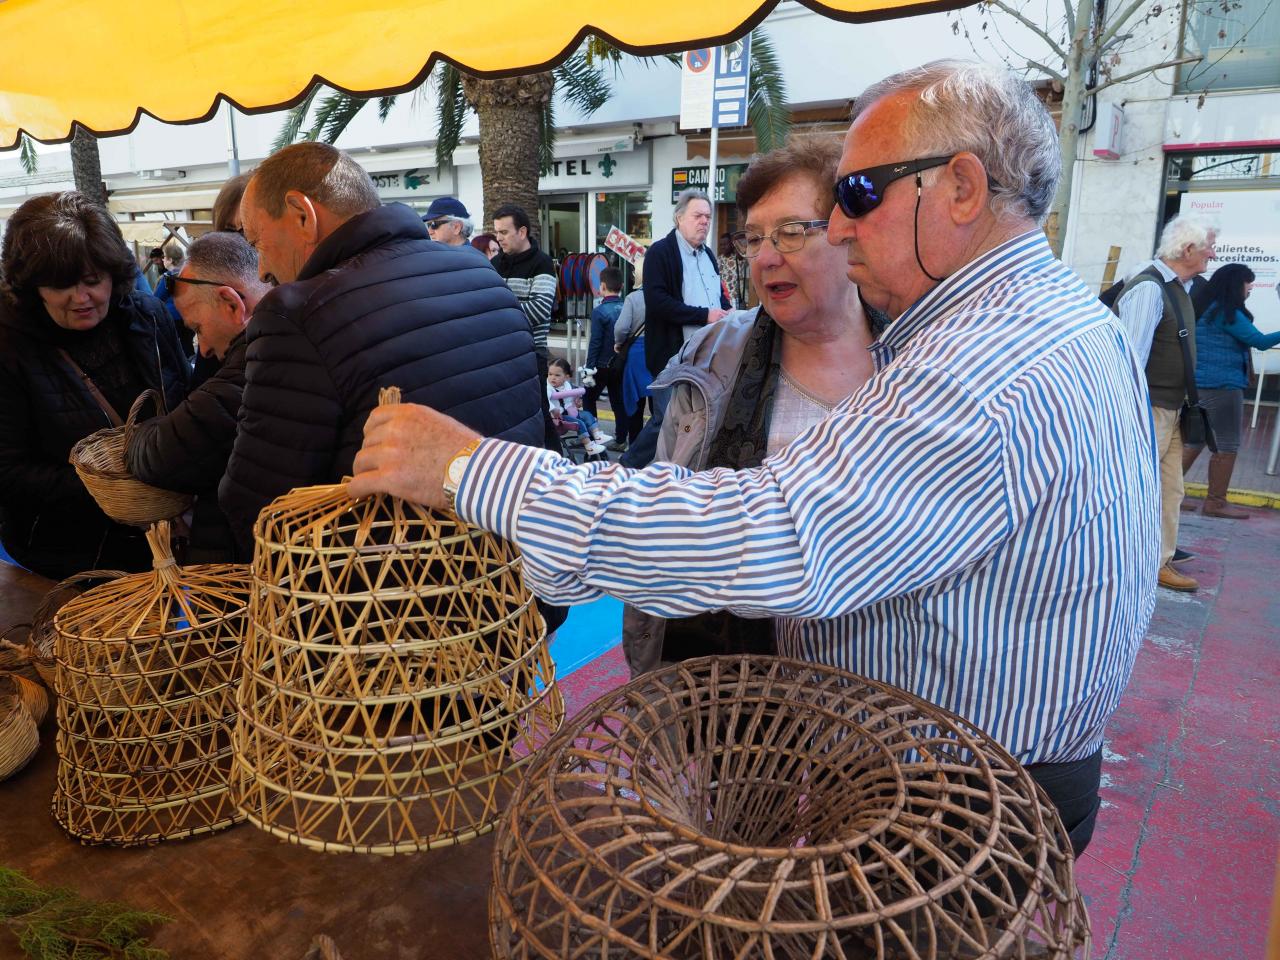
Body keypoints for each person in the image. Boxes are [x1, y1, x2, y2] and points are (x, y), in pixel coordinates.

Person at [347, 60, 1161, 857]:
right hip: (951, 781)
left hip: (951, 817)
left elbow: (777, 530)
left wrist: (471, 471)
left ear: (960, 187)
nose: (839, 230)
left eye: (857, 196)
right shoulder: (1048, 318)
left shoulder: (986, 362)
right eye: (764, 234)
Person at [623, 137, 877, 676]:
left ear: (846, 232)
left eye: (790, 232)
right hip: (724, 688)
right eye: (754, 237)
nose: (765, 257)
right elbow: (658, 501)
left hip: (871, 690)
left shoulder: (913, 360)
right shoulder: (714, 353)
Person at [219, 141, 542, 555]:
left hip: (388, 603)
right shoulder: (479, 271)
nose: (261, 268)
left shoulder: (295, 313)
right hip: (510, 584)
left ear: (303, 215)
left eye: (258, 242)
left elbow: (261, 504)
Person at [0, 192, 190, 578]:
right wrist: (113, 488)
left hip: (163, 544)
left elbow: (186, 402)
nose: (82, 298)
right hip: (64, 556)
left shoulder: (147, 316)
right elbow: (8, 470)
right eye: (61, 285)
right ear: (32, 285)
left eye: (92, 281)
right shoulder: (8, 344)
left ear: (113, 273)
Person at [124, 232, 271, 563]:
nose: (202, 349)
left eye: (199, 329)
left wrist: (142, 433)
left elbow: (160, 453)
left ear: (232, 303)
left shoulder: (254, 366)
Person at [1115, 215, 1217, 593]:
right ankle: (1119, 558)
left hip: (1170, 409)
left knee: (1170, 490)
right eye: (1208, 245)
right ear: (1187, 249)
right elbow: (1131, 359)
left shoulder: (1179, 288)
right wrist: (1130, 417)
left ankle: (1158, 561)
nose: (1213, 253)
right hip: (1149, 409)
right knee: (1131, 488)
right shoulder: (1149, 288)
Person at [1183, 263, 1280, 518]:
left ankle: (1166, 494)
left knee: (1196, 440)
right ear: (1236, 284)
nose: (1250, 288)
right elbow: (1259, 341)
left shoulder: (1205, 307)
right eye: (1248, 283)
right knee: (1227, 444)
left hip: (1201, 384)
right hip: (1223, 385)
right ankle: (1216, 502)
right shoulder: (1226, 312)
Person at [643, 189, 731, 391]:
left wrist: (728, 311)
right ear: (679, 218)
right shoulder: (660, 252)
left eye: (708, 217)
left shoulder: (708, 254)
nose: (704, 221)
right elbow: (658, 303)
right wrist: (704, 315)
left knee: (701, 421)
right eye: (697, 216)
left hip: (709, 359)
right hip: (675, 362)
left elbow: (717, 296)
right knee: (669, 420)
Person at [491, 203, 562, 452]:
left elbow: (540, 310)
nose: (499, 238)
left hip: (532, 355)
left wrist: (499, 312)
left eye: (504, 232)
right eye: (496, 233)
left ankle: (557, 465)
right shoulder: (495, 263)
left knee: (538, 414)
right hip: (500, 355)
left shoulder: (542, 263)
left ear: (522, 232)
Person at [611, 258, 651, 453]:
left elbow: (621, 328)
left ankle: (635, 449)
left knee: (635, 405)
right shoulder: (667, 296)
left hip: (636, 355)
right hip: (659, 353)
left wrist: (619, 343)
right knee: (659, 407)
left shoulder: (633, 299)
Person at [582, 267, 624, 422]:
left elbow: (596, 342)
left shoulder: (599, 311)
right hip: (620, 362)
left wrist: (589, 367)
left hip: (601, 364)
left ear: (603, 287)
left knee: (588, 398)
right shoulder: (627, 306)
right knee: (618, 399)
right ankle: (621, 438)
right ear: (622, 287)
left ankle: (592, 435)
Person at [547, 358, 609, 455]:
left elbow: (574, 397)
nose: (552, 378)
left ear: (566, 377)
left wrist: (577, 401)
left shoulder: (568, 385)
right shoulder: (548, 388)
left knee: (587, 415)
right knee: (579, 423)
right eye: (550, 374)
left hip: (571, 412)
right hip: (559, 417)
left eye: (557, 375)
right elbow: (545, 400)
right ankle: (589, 447)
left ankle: (598, 435)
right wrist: (553, 409)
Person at [153, 241, 194, 358]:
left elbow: (157, 298)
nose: (163, 260)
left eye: (164, 257)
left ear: (170, 260)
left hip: (173, 317)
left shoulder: (168, 277)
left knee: (172, 347)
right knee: (187, 345)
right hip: (189, 314)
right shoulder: (188, 274)